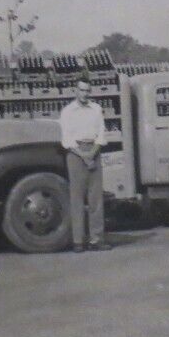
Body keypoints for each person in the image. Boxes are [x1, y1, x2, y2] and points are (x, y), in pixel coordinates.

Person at [58, 78, 109, 251]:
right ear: (76, 91)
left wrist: (92, 153)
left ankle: (97, 239)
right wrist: (83, 155)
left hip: (94, 150)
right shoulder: (68, 111)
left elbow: (101, 134)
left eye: (87, 91)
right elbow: (67, 139)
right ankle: (78, 241)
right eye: (82, 90)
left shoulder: (96, 109)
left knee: (96, 198)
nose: (85, 94)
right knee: (77, 198)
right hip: (75, 153)